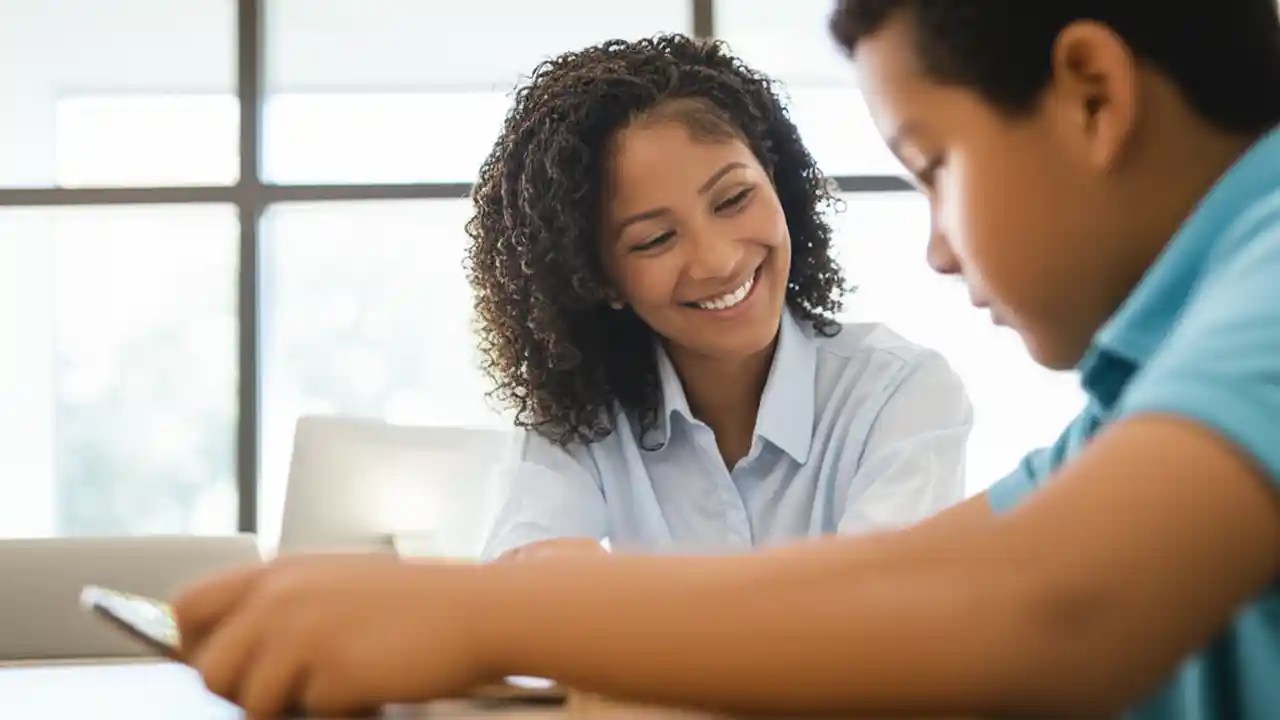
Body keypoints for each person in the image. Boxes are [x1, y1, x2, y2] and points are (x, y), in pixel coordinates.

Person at [173, 2, 1280, 718]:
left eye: (932, 165)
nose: (936, 248)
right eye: (650, 238)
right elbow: (916, 587)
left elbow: (1041, 613)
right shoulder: (1145, 398)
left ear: (1092, 94)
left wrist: (462, 618)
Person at [465, 35, 971, 560]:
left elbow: (881, 611)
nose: (718, 261)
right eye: (655, 239)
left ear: (775, 180)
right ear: (598, 279)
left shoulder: (897, 392)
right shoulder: (580, 424)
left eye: (734, 198)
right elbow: (527, 591)